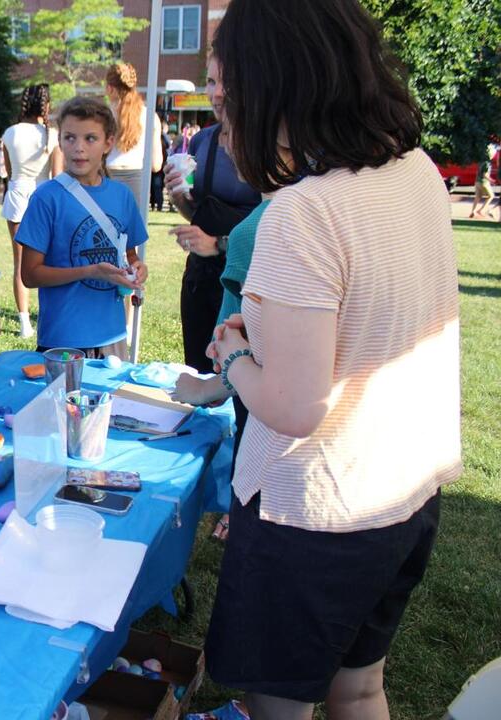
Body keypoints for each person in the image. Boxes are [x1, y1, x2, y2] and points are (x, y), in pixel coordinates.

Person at [194, 2, 462, 719]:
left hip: (317, 513)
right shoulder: (416, 171)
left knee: (277, 704)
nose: (226, 107)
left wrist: (235, 352)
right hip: (405, 491)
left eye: (230, 89)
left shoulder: (302, 212)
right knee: (359, 685)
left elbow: (293, 405)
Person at [17, 97, 148, 359]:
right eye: (70, 138)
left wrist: (137, 268)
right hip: (63, 337)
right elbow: (30, 275)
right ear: (59, 141)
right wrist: (89, 271)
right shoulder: (46, 198)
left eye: (90, 138)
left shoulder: (121, 195)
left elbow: (128, 253)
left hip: (112, 335)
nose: (78, 148)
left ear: (108, 142)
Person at [169, 56, 261, 374]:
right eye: (210, 82)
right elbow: (196, 213)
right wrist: (179, 196)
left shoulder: (272, 145)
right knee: (199, 369)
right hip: (200, 280)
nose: (217, 93)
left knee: (238, 376)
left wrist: (218, 244)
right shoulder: (202, 141)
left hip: (246, 282)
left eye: (227, 82)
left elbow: (278, 219)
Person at [1, 84, 63, 339]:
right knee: (47, 262)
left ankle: (25, 322)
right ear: (46, 105)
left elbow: (7, 171)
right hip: (43, 198)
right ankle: (47, 314)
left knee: (20, 263)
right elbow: (57, 176)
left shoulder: (10, 133)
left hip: (17, 195)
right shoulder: (52, 135)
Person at [105, 62, 164, 212]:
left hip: (106, 179)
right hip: (138, 182)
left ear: (110, 88)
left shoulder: (101, 117)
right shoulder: (150, 116)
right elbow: (156, 165)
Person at [468, 145, 497, 218]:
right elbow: (485, 175)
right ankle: (480, 210)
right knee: (491, 196)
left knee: (477, 197)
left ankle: (473, 211)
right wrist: (492, 180)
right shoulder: (488, 164)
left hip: (477, 181)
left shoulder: (481, 162)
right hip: (484, 182)